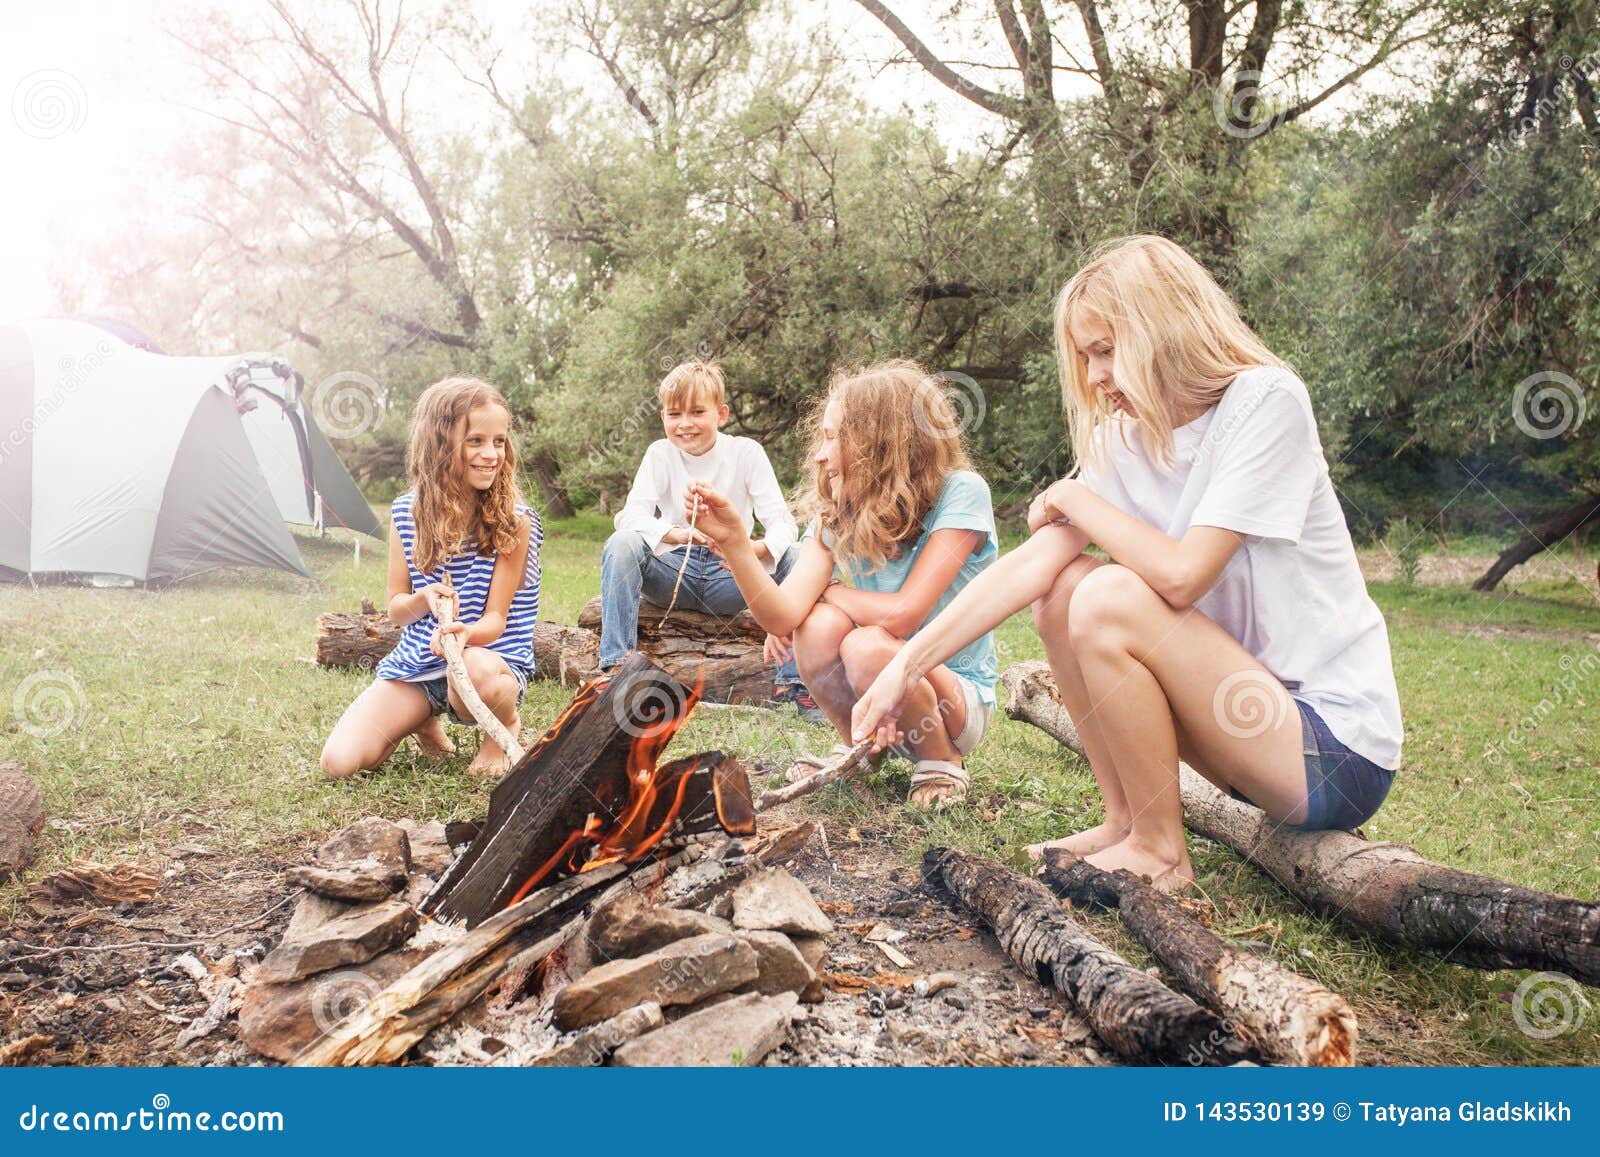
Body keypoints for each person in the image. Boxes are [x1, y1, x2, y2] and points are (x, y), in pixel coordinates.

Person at [851, 236, 1403, 890]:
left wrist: (1076, 497)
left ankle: (1161, 853)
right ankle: (1126, 823)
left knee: (1106, 596)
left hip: (1330, 751)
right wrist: (903, 665)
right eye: (1085, 357)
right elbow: (1031, 566)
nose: (1094, 377)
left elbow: (1183, 573)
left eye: (1106, 350)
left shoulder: (1266, 403)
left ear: (1163, 329)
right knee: (1061, 589)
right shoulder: (1124, 438)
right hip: (1240, 733)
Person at [685, 359, 1000, 808]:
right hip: (876, 692)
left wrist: (828, 591)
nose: (820, 454)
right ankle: (858, 748)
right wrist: (736, 542)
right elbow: (783, 613)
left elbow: (905, 612)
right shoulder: (840, 513)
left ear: (880, 441)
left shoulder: (962, 493)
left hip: (955, 701)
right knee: (816, 626)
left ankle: (940, 760)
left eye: (833, 437)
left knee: (864, 644)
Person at [321, 376, 541, 780]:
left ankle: (502, 728)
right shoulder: (407, 514)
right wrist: (423, 599)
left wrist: (463, 635)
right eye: (475, 441)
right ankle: (422, 720)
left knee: (474, 670)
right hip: (419, 665)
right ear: (440, 445)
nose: (491, 454)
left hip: (487, 661)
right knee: (340, 763)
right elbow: (397, 611)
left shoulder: (515, 521)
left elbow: (497, 620)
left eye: (499, 441)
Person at [600, 360, 811, 709]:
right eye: (674, 413)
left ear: (722, 414)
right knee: (621, 543)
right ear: (663, 417)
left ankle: (792, 682)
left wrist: (753, 550)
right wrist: (678, 535)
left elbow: (783, 523)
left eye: (697, 412)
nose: (684, 424)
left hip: (731, 577)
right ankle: (617, 666)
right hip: (672, 572)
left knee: (797, 555)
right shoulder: (659, 454)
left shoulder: (746, 453)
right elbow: (631, 516)